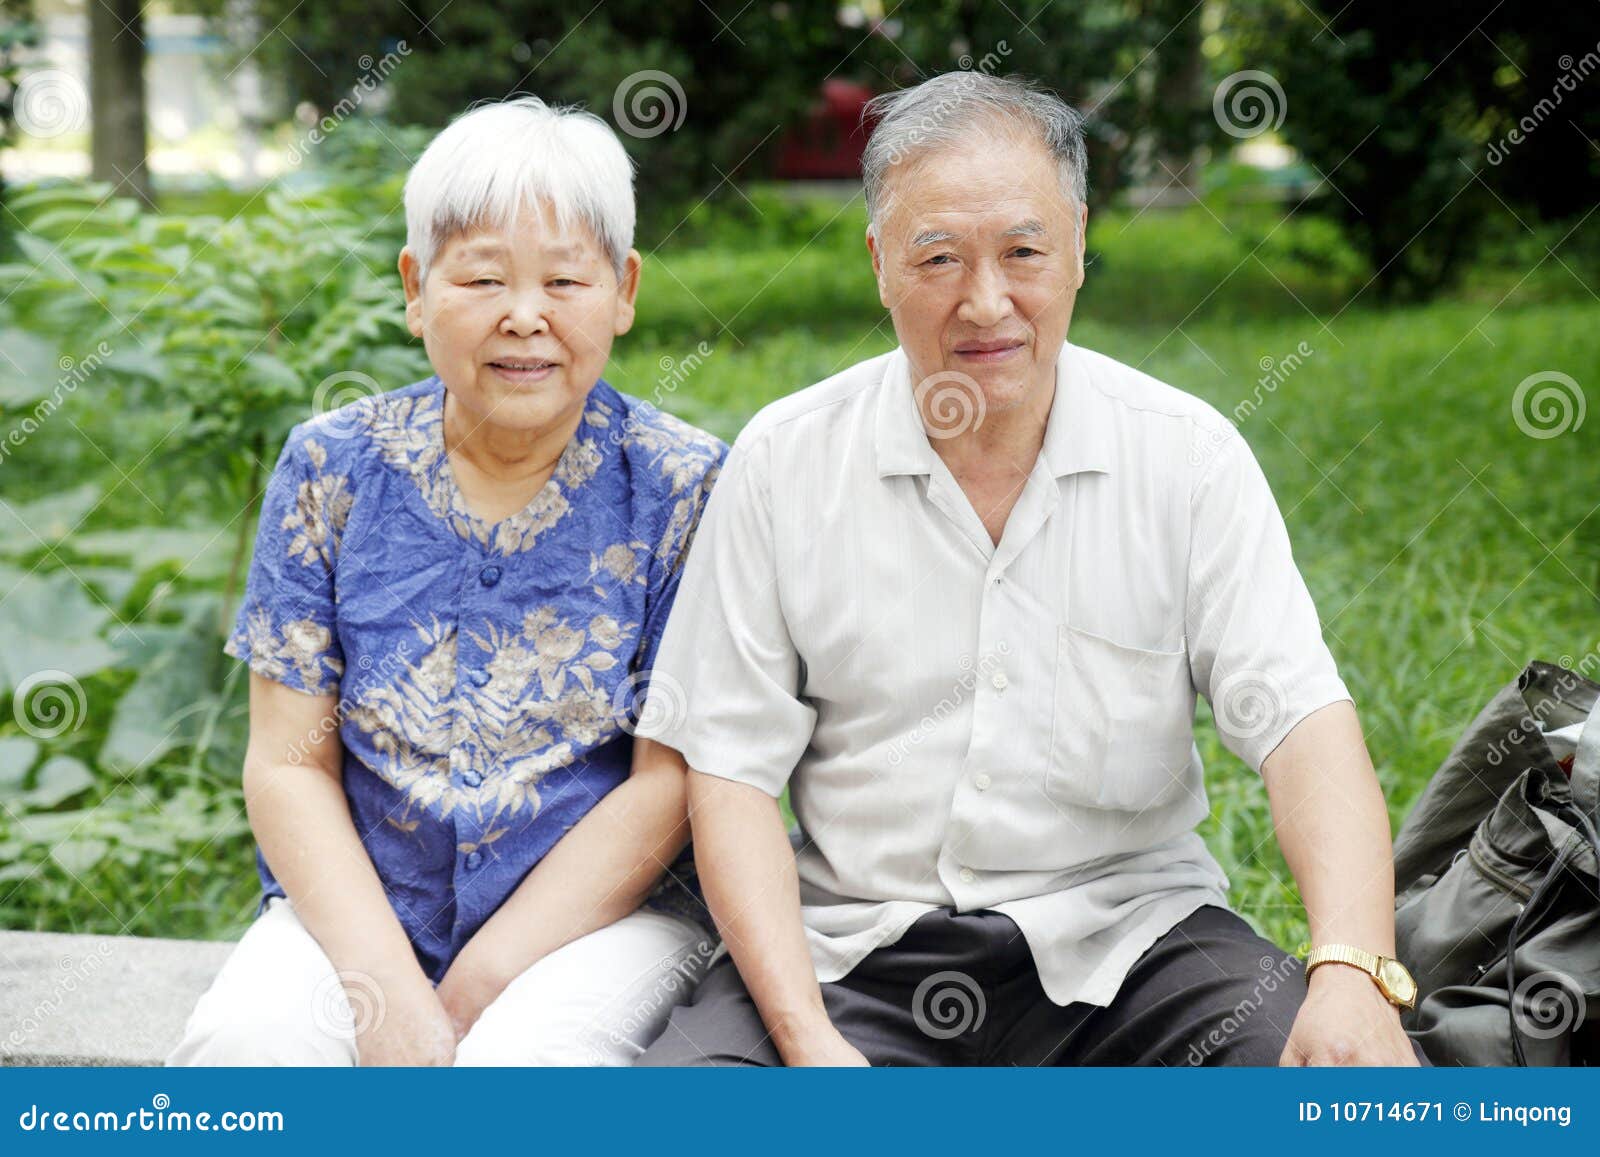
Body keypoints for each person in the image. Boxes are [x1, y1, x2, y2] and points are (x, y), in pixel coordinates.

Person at [635, 72, 1431, 1067]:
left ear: (1079, 246)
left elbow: (1304, 724)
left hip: (1134, 944)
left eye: (1023, 251)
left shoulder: (1185, 455)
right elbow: (732, 774)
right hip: (855, 951)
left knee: (1328, 1093)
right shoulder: (784, 461)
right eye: (938, 257)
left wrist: (1351, 968)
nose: (986, 302)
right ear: (879, 261)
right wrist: (805, 1040)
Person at [168, 96, 725, 1067]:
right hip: (363, 901)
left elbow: (667, 783)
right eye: (480, 277)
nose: (525, 316)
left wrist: (469, 989)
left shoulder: (684, 485)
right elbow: (288, 759)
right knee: (246, 1044)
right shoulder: (329, 468)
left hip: (603, 919)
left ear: (625, 290)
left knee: (520, 1071)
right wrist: (385, 986)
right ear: (416, 288)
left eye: (564, 278)